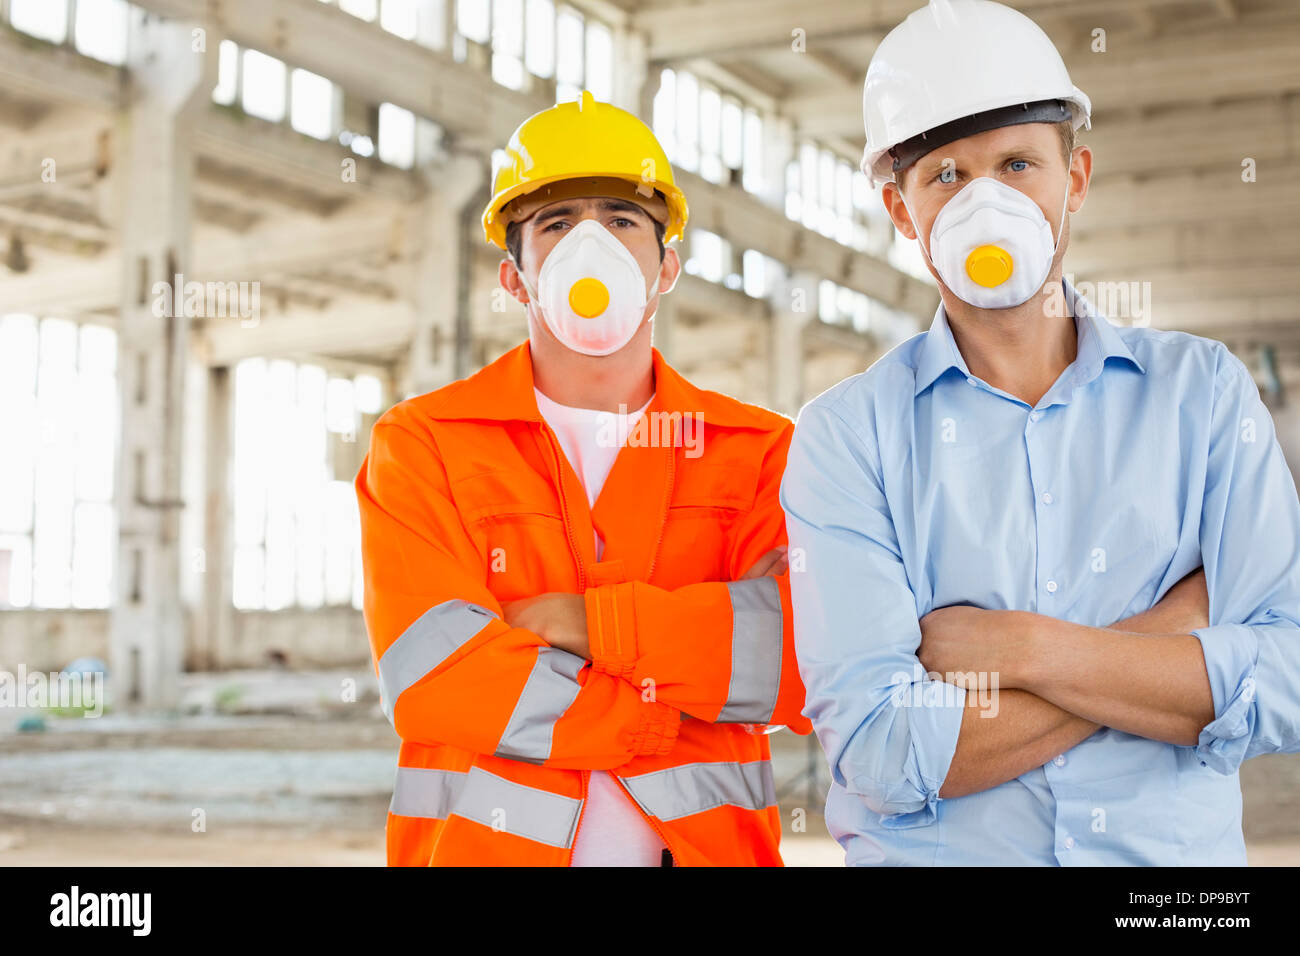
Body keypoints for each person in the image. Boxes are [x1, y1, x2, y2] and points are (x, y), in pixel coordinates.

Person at [781, 0, 1300, 865]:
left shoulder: (1203, 393)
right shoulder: (846, 436)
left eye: (1018, 163)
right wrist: (1166, 640)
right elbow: (878, 750)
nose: (985, 202)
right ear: (901, 212)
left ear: (1078, 178)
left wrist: (1027, 651)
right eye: (944, 174)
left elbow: (1286, 683)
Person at [356, 90, 811, 866]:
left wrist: (581, 624)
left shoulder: (761, 450)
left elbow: (796, 665)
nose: (589, 245)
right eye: (556, 224)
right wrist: (664, 702)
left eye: (622, 219)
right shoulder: (425, 444)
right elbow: (437, 678)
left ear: (666, 267)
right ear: (515, 277)